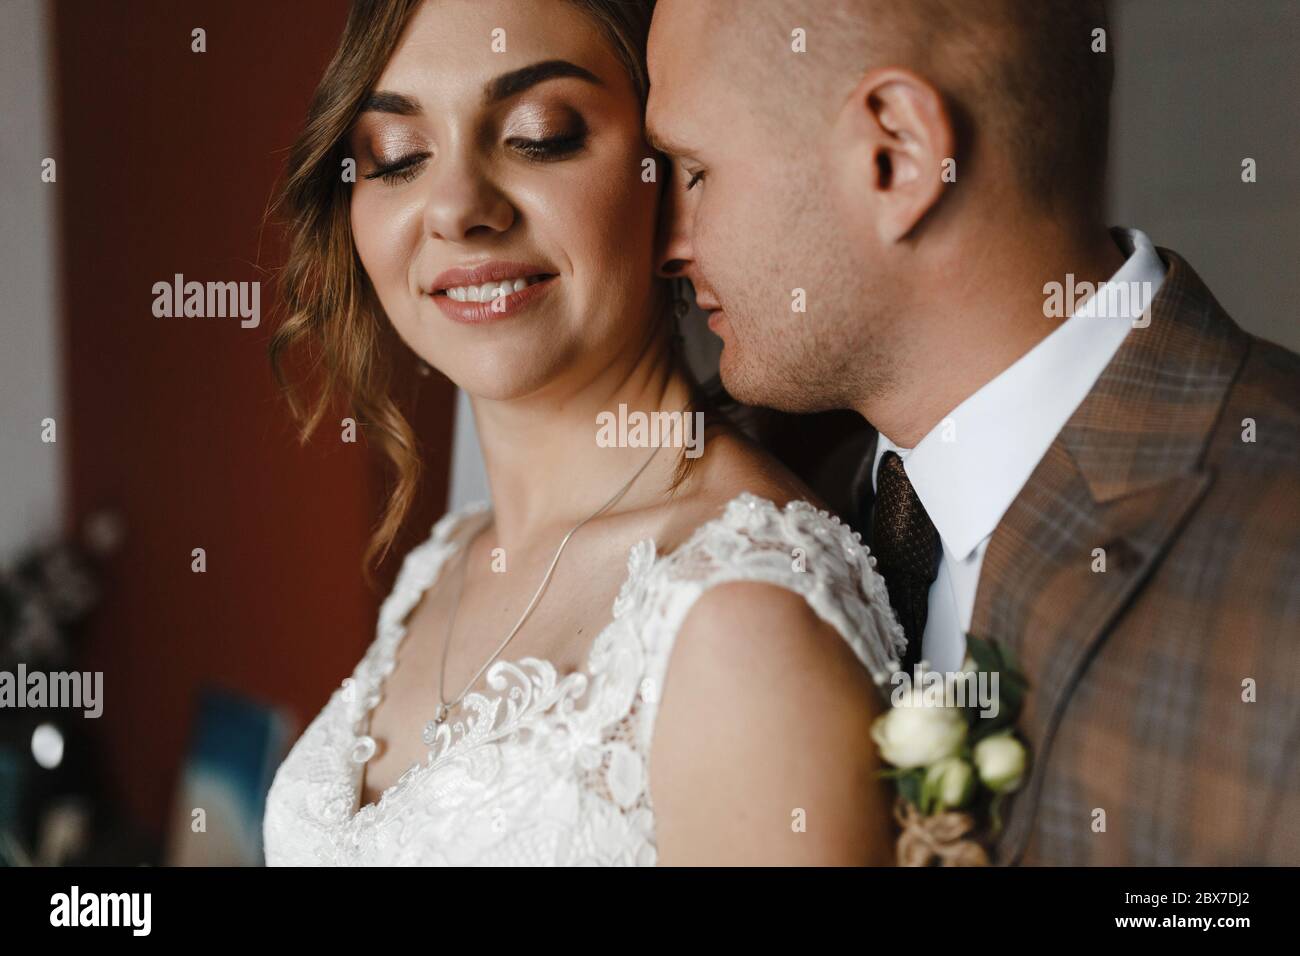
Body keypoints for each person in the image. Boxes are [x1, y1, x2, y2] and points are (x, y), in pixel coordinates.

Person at [645, 0, 1300, 864]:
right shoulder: (783, 505)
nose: (669, 245)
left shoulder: (1276, 563)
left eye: (694, 171)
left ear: (897, 157)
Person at [261, 0, 902, 866]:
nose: (456, 207)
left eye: (539, 134)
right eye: (396, 157)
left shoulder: (745, 617)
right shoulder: (442, 564)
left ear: (668, 172)